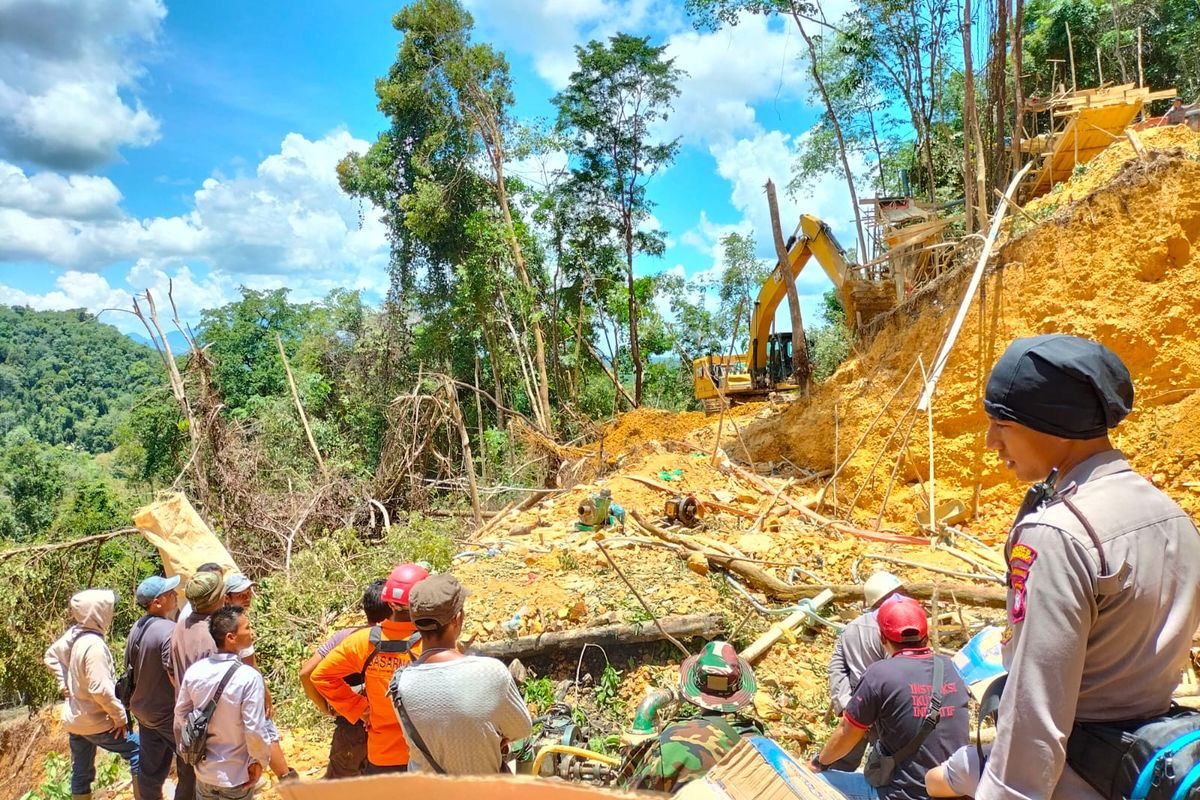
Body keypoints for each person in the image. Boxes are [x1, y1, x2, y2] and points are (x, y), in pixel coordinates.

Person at [974, 334, 1200, 799]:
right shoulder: (1172, 516)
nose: (991, 441)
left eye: (1002, 424)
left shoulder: (1058, 534)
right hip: (1151, 762)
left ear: (1053, 423)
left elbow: (1036, 712)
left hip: (1077, 773)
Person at [810, 596, 969, 800]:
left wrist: (818, 764)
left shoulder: (879, 675)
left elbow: (847, 733)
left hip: (900, 795)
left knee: (809, 781)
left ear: (882, 638)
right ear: (926, 635)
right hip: (952, 792)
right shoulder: (951, 668)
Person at [389, 574, 532, 775]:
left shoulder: (400, 683)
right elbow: (522, 730)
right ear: (457, 619)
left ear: (416, 623)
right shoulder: (490, 673)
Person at [310, 563, 428, 773]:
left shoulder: (362, 642)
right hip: (425, 753)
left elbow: (320, 675)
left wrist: (360, 709)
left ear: (389, 604)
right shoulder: (431, 643)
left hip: (382, 755)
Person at [619, 641, 765, 794]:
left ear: (693, 688)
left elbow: (630, 793)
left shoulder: (673, 743)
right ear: (740, 689)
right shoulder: (758, 743)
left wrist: (633, 753)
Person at [44, 589, 141, 800]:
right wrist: (119, 717)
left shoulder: (75, 635)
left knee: (81, 770)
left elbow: (51, 656)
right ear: (98, 612)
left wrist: (63, 682)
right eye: (109, 609)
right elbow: (100, 689)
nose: (111, 614)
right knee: (139, 752)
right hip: (95, 719)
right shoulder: (94, 646)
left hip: (75, 719)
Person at [175, 606, 273, 800]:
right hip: (236, 775)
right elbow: (254, 729)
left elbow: (181, 714)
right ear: (230, 637)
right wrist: (259, 761)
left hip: (204, 773)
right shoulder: (249, 677)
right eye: (247, 628)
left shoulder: (195, 672)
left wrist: (195, 744)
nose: (252, 632)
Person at [298, 579, 389, 779]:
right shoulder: (400, 640)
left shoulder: (345, 637)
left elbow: (306, 673)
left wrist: (325, 706)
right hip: (387, 727)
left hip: (351, 724)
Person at [221, 573, 298, 784]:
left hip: (233, 690)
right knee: (264, 728)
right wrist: (262, 690)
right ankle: (286, 778)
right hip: (241, 688)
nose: (247, 598)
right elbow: (250, 663)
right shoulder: (234, 625)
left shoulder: (230, 621)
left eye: (248, 593)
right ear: (227, 597)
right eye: (241, 595)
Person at [827, 571, 904, 769]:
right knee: (885, 768)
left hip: (856, 707)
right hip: (885, 711)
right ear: (887, 596)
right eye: (898, 592)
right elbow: (897, 671)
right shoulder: (892, 627)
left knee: (840, 762)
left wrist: (845, 704)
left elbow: (837, 667)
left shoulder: (852, 627)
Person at [170, 570, 226, 799]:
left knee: (186, 782)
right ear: (217, 599)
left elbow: (170, 672)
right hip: (206, 728)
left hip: (184, 723)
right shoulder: (213, 637)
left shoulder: (179, 627)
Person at [126, 576, 181, 800]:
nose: (176, 595)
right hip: (165, 711)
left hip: (142, 709)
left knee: (150, 768)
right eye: (171, 594)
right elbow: (173, 673)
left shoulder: (136, 627)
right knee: (191, 757)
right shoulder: (168, 629)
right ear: (157, 602)